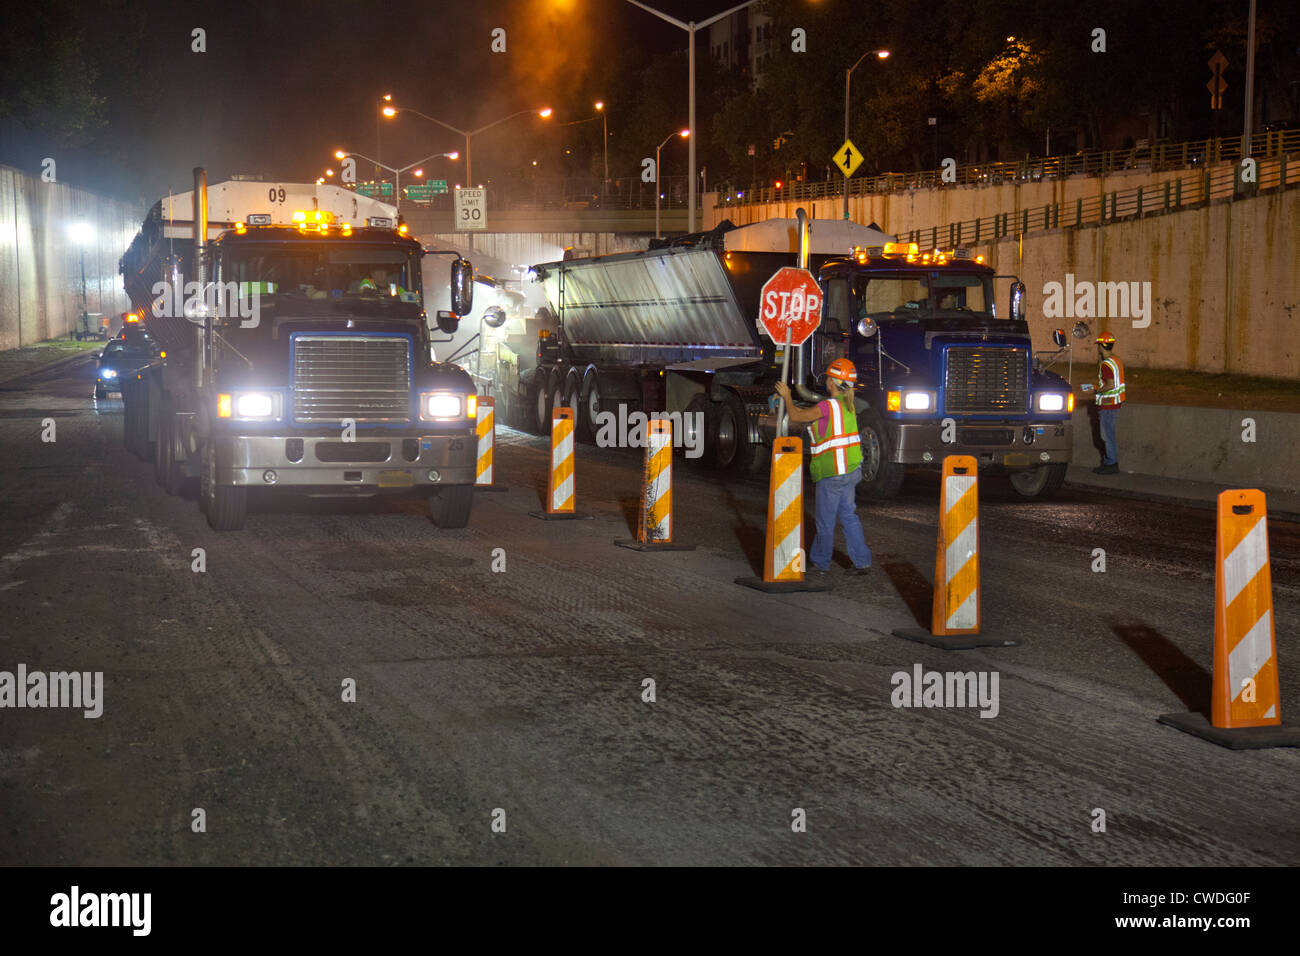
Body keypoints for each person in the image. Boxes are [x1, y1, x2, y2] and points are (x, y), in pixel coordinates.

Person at [774, 358, 872, 576]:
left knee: (825, 521)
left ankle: (820, 562)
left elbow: (798, 417)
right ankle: (862, 561)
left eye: (828, 377)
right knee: (849, 516)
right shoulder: (849, 404)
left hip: (832, 472)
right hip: (851, 470)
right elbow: (818, 416)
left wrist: (788, 397)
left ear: (832, 383)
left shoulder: (827, 406)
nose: (826, 380)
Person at [1089, 331, 1125, 474]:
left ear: (1102, 346)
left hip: (1108, 405)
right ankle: (1110, 462)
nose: (1098, 348)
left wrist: (1097, 391)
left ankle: (1111, 464)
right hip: (1115, 403)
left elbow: (1110, 385)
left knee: (1107, 436)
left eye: (1099, 345)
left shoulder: (1106, 365)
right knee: (1109, 435)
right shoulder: (1116, 360)